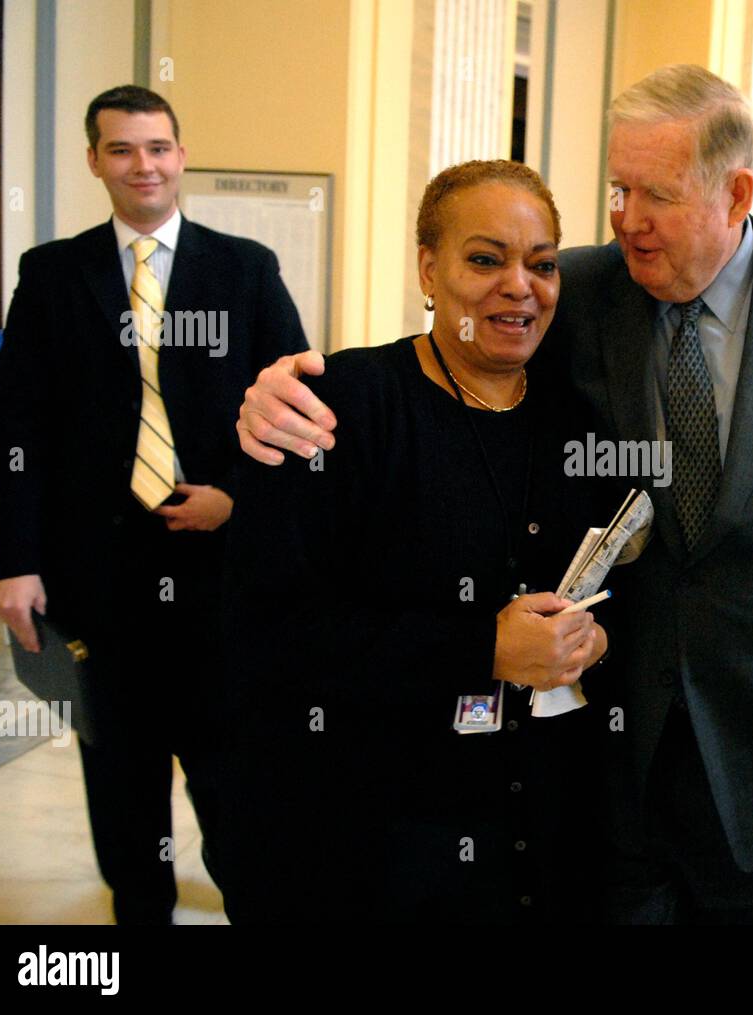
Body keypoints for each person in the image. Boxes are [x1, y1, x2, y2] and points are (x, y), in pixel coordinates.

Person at [235, 65, 753, 924]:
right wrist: (281, 391)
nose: (626, 219)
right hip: (603, 754)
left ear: (736, 192)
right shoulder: (579, 288)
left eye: (657, 195)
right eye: (617, 188)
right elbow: (452, 345)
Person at [212, 159, 612, 924]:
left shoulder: (577, 423)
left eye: (543, 264)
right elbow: (266, 632)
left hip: (530, 834)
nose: (519, 286)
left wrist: (588, 641)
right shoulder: (332, 410)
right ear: (429, 268)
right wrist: (480, 649)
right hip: (367, 840)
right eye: (485, 258)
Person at [0, 85, 308, 924]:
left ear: (181, 154)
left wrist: (237, 500)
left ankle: (257, 898)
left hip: (220, 579)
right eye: (122, 149)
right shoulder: (52, 275)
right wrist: (16, 563)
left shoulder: (245, 269)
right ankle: (140, 909)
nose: (143, 165)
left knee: (233, 770)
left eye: (157, 147)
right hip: (98, 575)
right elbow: (19, 428)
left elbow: (301, 411)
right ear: (94, 160)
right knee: (120, 769)